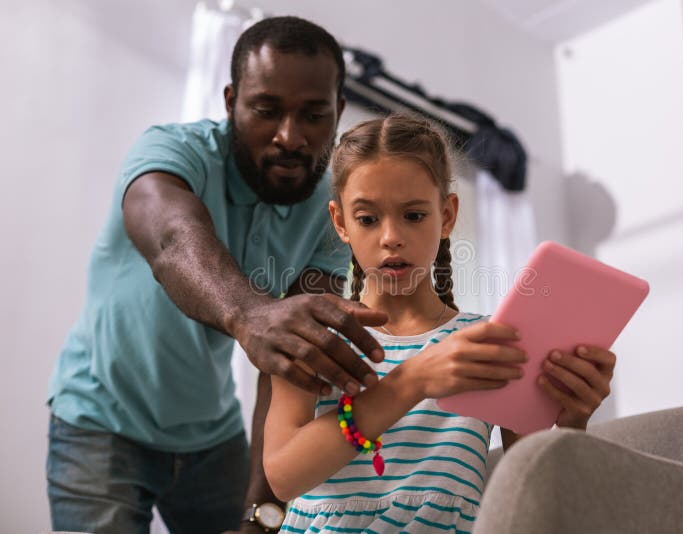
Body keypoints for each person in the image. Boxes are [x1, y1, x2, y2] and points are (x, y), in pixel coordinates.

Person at [46, 16, 389, 534]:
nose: (289, 137)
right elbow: (171, 239)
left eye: (314, 114)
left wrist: (262, 515)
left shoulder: (330, 213)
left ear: (338, 112)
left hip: (213, 435)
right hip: (99, 423)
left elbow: (291, 363)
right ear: (231, 102)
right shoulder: (170, 152)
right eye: (266, 110)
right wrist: (251, 313)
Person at [262, 114, 617, 532]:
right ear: (340, 222)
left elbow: (531, 497)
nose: (391, 236)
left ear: (447, 215)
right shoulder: (315, 332)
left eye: (413, 216)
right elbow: (283, 477)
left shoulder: (489, 343)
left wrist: (573, 421)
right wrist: (412, 380)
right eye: (368, 218)